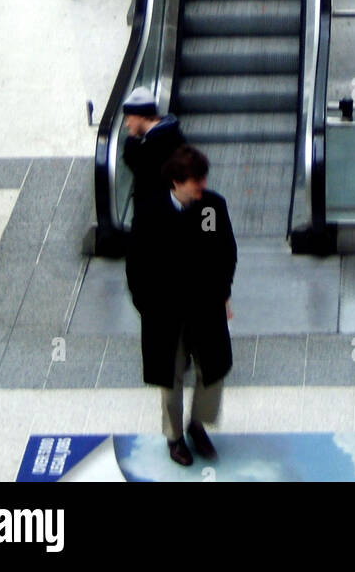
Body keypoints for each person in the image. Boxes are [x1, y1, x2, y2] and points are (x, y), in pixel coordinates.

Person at [126, 145, 237, 467]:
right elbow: (136, 266)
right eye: (194, 181)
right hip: (166, 315)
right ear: (176, 181)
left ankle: (198, 423)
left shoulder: (210, 209)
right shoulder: (149, 212)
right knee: (170, 378)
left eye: (202, 179)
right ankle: (174, 437)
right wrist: (146, 306)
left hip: (205, 309)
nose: (201, 186)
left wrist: (222, 292)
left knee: (212, 373)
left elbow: (225, 253)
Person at [122, 86, 185, 217]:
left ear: (140, 116)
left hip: (158, 218)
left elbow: (140, 170)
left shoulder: (157, 144)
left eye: (129, 118)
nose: (127, 124)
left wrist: (131, 139)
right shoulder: (168, 134)